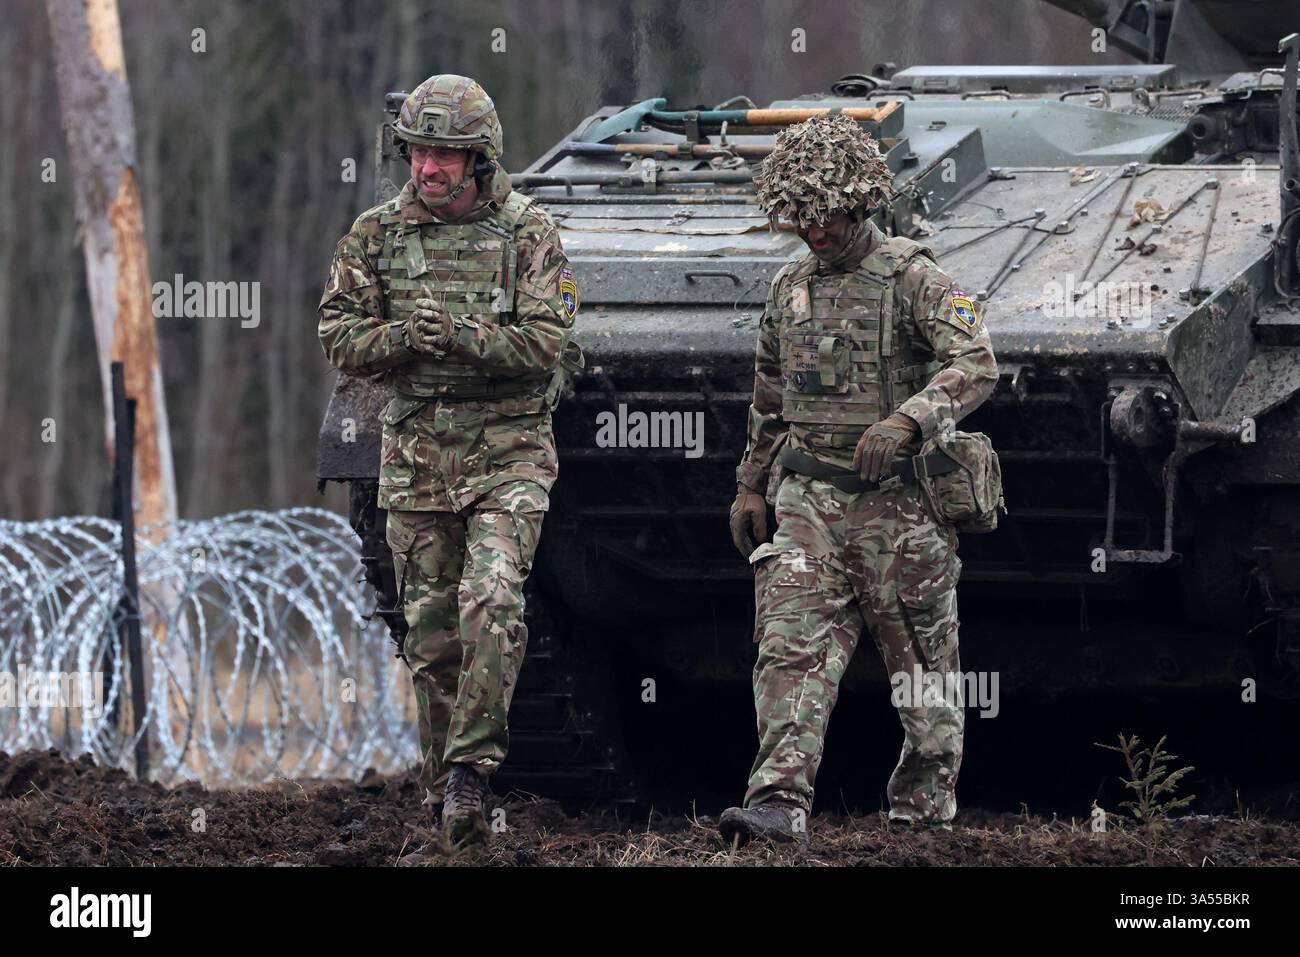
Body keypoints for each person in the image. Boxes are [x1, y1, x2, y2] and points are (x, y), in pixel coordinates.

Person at [720, 113, 998, 848]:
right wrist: (751, 484)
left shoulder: (914, 278)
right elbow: (770, 395)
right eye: (799, 216)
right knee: (789, 645)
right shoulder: (789, 290)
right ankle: (778, 799)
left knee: (924, 675)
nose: (814, 229)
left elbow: (976, 362)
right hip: (809, 499)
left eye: (828, 213)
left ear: (861, 199)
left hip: (901, 507)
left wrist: (909, 419)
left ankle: (921, 815)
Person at [318, 73, 580, 847]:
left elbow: (544, 346)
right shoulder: (376, 235)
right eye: (419, 152)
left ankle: (471, 767)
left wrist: (457, 333)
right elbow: (339, 335)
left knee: (492, 600)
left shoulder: (529, 234)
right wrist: (406, 337)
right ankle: (450, 814)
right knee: (431, 642)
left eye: (447, 155)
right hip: (417, 458)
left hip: (508, 454)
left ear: (481, 161)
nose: (429, 168)